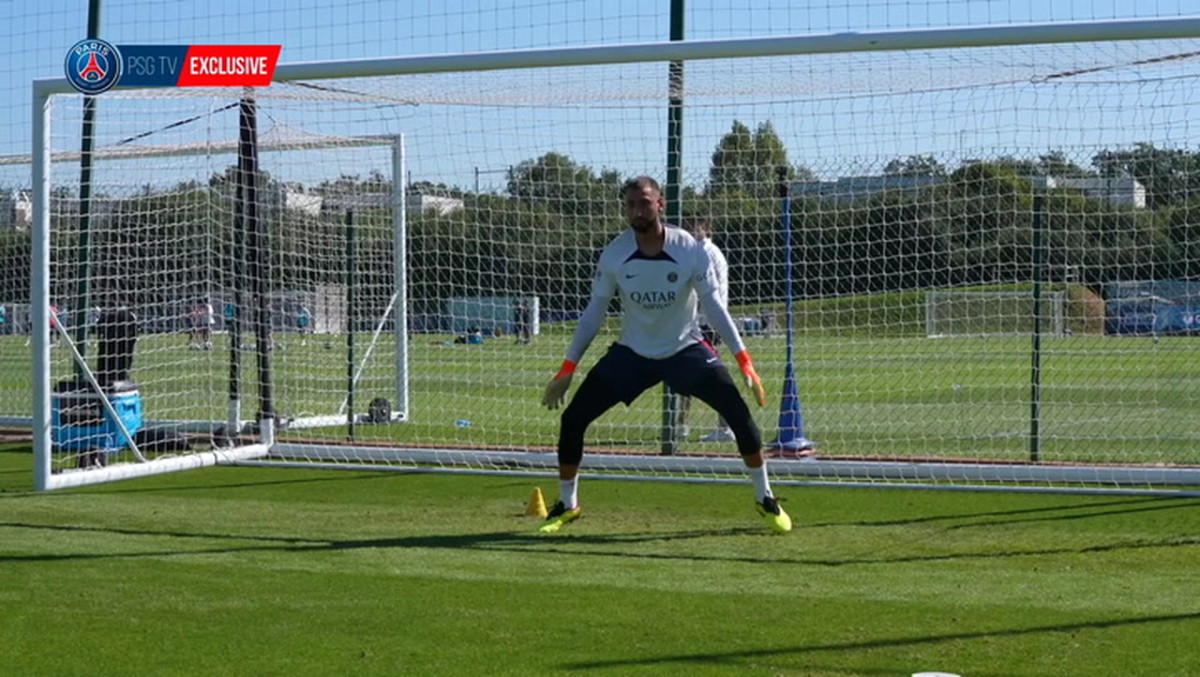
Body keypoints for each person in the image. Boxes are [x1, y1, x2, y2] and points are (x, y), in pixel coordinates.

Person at [539, 176, 790, 534]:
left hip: (684, 349)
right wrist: (567, 367)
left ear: (661, 205)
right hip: (633, 353)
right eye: (631, 204)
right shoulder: (615, 253)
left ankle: (765, 498)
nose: (637, 210)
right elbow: (594, 312)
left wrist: (744, 360)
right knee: (573, 419)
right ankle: (568, 504)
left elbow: (714, 306)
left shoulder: (689, 249)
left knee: (739, 414)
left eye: (644, 202)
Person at [681, 218, 735, 443]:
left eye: (694, 228)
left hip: (705, 323)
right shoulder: (710, 251)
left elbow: (706, 291)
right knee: (686, 371)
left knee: (704, 374)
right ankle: (681, 424)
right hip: (708, 321)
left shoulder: (703, 253)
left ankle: (723, 426)